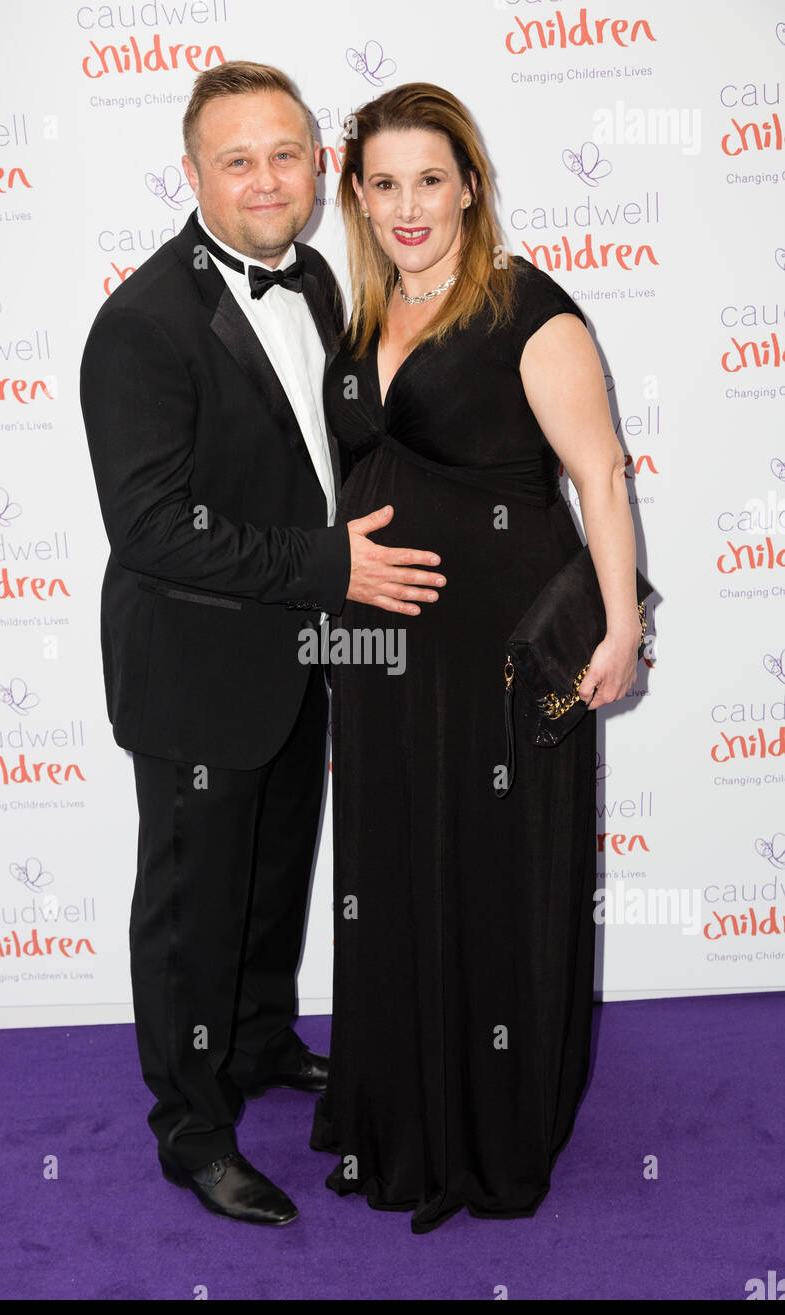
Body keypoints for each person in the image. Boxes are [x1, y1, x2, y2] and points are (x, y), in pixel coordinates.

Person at [79, 63, 445, 1228]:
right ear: (191, 175)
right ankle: (190, 1128)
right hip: (195, 670)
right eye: (236, 159)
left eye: (286, 152)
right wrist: (327, 566)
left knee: (274, 878)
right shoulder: (141, 324)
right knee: (191, 912)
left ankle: (253, 1040)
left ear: (315, 163)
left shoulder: (323, 278)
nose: (266, 178)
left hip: (299, 660)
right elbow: (150, 530)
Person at [309, 82, 644, 1233]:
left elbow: (598, 475)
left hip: (495, 652)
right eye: (385, 182)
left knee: (494, 875)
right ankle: (397, 1105)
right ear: (357, 194)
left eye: (430, 180)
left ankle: (493, 1125)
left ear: (470, 186)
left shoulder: (526, 310)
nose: (409, 207)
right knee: (390, 869)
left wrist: (619, 625)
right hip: (378, 650)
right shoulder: (356, 316)